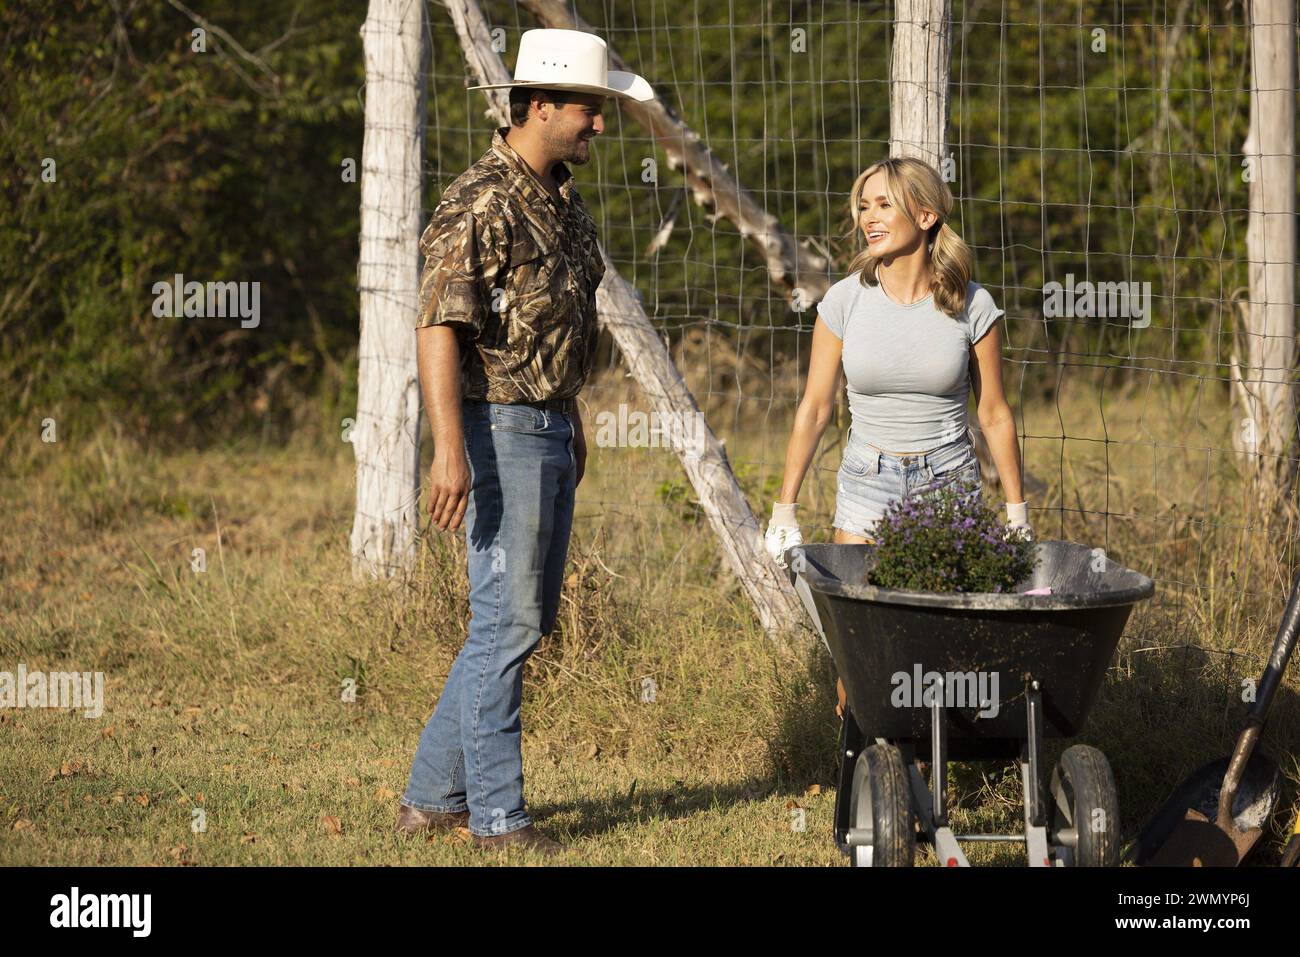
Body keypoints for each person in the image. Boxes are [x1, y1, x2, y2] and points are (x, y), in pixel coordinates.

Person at [396, 29, 652, 856]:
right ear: (541, 106)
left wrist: (571, 415)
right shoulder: (480, 199)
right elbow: (440, 325)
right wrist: (448, 448)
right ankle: (499, 818)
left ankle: (432, 797)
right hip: (496, 429)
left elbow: (560, 325)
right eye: (590, 109)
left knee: (518, 623)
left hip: (546, 427)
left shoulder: (561, 203)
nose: (599, 126)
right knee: (505, 624)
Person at [764, 156, 1032, 717]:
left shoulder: (971, 304)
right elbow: (815, 407)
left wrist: (1015, 512)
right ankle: (866, 780)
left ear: (927, 214)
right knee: (858, 658)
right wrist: (783, 508)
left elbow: (995, 413)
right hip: (868, 482)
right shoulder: (845, 300)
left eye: (884, 203)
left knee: (937, 651)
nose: (869, 216)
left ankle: (925, 773)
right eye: (864, 204)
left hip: (946, 486)